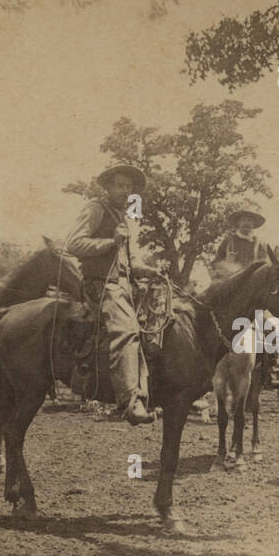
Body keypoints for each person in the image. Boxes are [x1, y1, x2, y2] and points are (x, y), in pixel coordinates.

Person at [66, 164, 159, 425]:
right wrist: (109, 242)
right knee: (126, 329)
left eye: (128, 186)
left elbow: (133, 261)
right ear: (107, 187)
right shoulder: (95, 208)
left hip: (124, 286)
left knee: (153, 327)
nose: (125, 190)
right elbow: (73, 244)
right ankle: (128, 401)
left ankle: (148, 394)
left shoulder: (129, 219)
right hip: (99, 285)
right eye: (119, 185)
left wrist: (149, 271)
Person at [211, 207, 276, 280]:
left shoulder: (260, 244)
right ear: (238, 223)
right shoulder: (229, 241)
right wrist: (227, 264)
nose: (246, 223)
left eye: (249, 220)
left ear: (253, 224)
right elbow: (216, 263)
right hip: (232, 282)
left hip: (253, 283)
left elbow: (266, 266)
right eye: (243, 220)